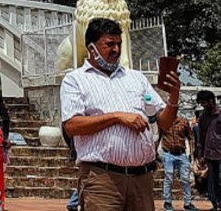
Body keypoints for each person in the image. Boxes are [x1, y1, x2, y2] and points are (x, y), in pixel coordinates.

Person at [60, 17, 182, 211]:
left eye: (118, 44)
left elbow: (163, 123)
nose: (116, 50)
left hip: (142, 179)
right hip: (103, 179)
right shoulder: (75, 80)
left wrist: (174, 97)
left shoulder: (136, 78)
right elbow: (72, 126)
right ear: (91, 48)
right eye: (109, 44)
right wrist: (117, 117)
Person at [159, 104, 196, 211]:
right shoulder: (163, 123)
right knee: (168, 179)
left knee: (185, 179)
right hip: (168, 153)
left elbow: (190, 137)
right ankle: (167, 202)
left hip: (181, 154)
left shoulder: (183, 122)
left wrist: (191, 153)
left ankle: (188, 203)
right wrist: (154, 152)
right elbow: (159, 136)